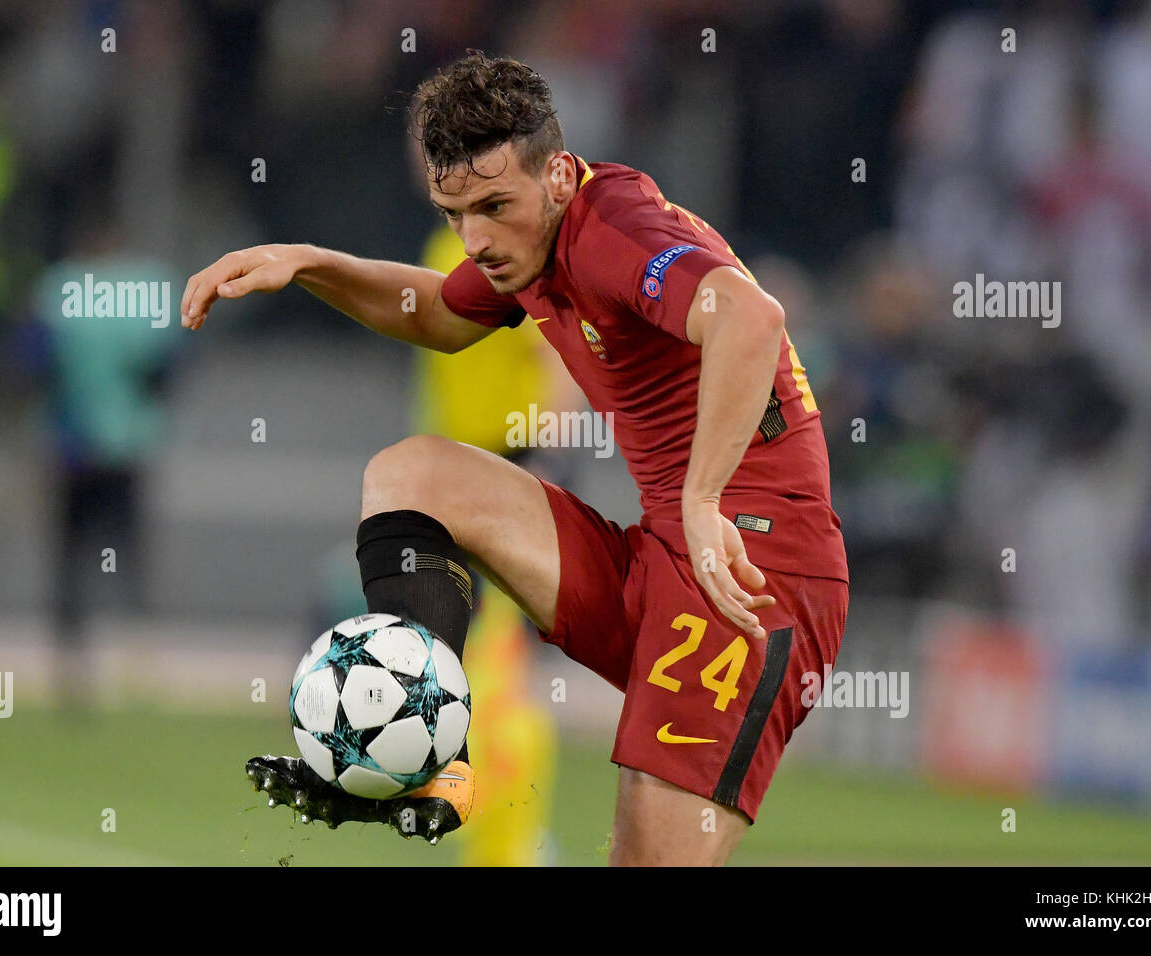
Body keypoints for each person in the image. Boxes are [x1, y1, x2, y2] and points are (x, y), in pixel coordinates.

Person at [183, 52, 848, 866]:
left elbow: (750, 316)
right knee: (412, 475)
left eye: (495, 206)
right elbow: (433, 309)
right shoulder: (529, 244)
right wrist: (310, 263)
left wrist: (704, 503)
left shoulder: (613, 230)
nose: (477, 240)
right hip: (665, 558)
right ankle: (431, 750)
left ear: (561, 174)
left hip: (752, 577)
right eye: (455, 213)